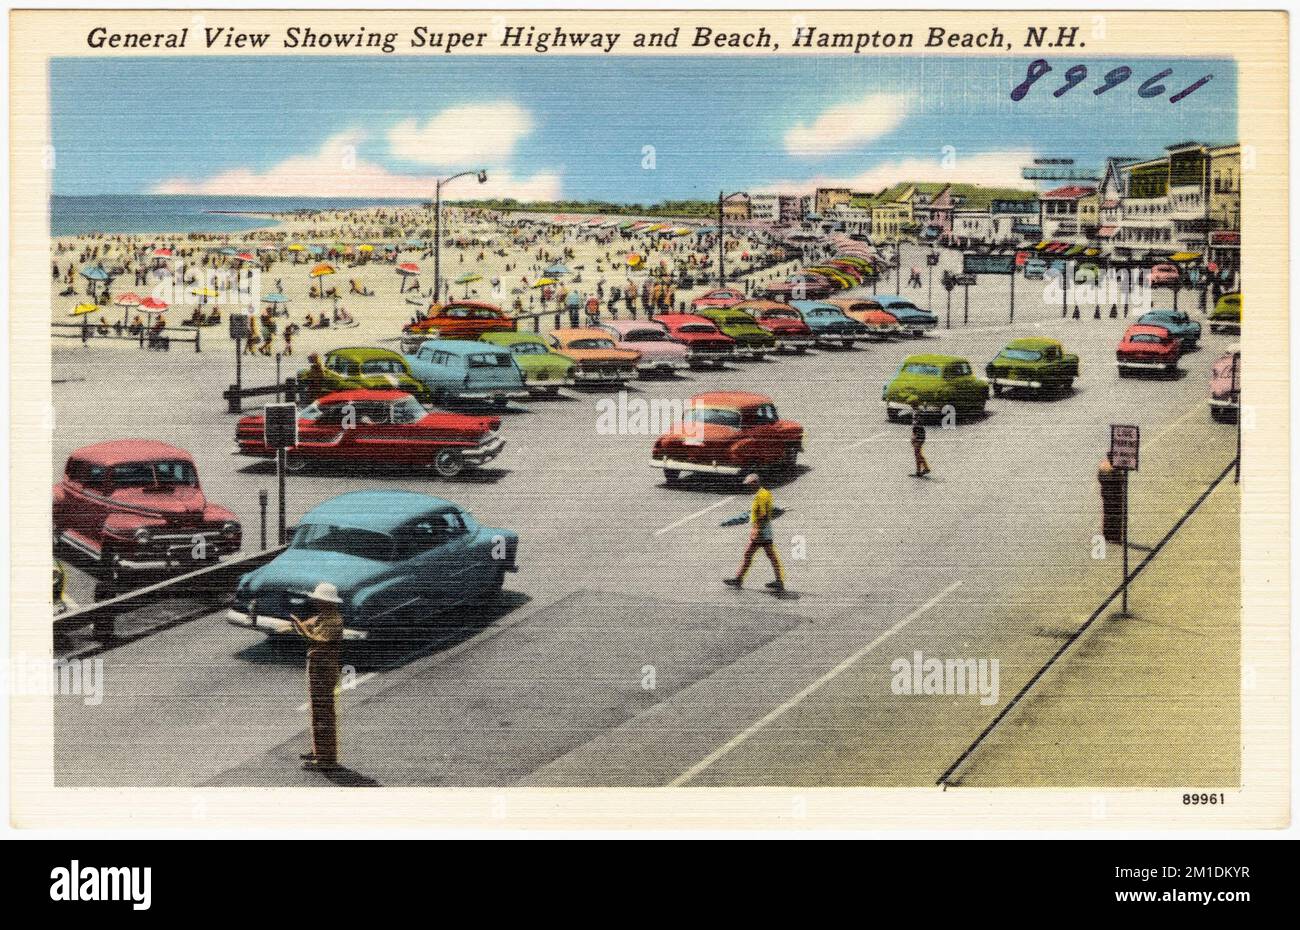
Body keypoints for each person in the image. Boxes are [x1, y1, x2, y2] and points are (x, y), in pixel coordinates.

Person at [289, 582, 344, 771]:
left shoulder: (334, 621)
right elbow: (307, 625)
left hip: (324, 670)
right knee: (317, 712)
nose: (316, 603)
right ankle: (319, 750)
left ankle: (326, 759)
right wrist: (295, 625)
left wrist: (299, 628)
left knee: (323, 714)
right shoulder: (323, 617)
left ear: (328, 602)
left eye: (320, 600)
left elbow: (318, 640)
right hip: (317, 668)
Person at [724, 473, 785, 593]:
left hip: (761, 531)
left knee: (753, 555)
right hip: (765, 530)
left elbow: (762, 515)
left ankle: (739, 579)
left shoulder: (760, 496)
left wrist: (757, 531)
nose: (747, 487)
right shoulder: (764, 493)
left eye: (749, 485)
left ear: (755, 483)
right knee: (767, 556)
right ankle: (778, 581)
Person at [910, 408, 930, 477]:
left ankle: (926, 468)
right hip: (920, 436)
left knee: (917, 454)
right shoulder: (917, 413)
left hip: (919, 437)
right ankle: (918, 471)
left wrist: (914, 437)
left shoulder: (917, 415)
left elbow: (916, 428)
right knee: (917, 454)